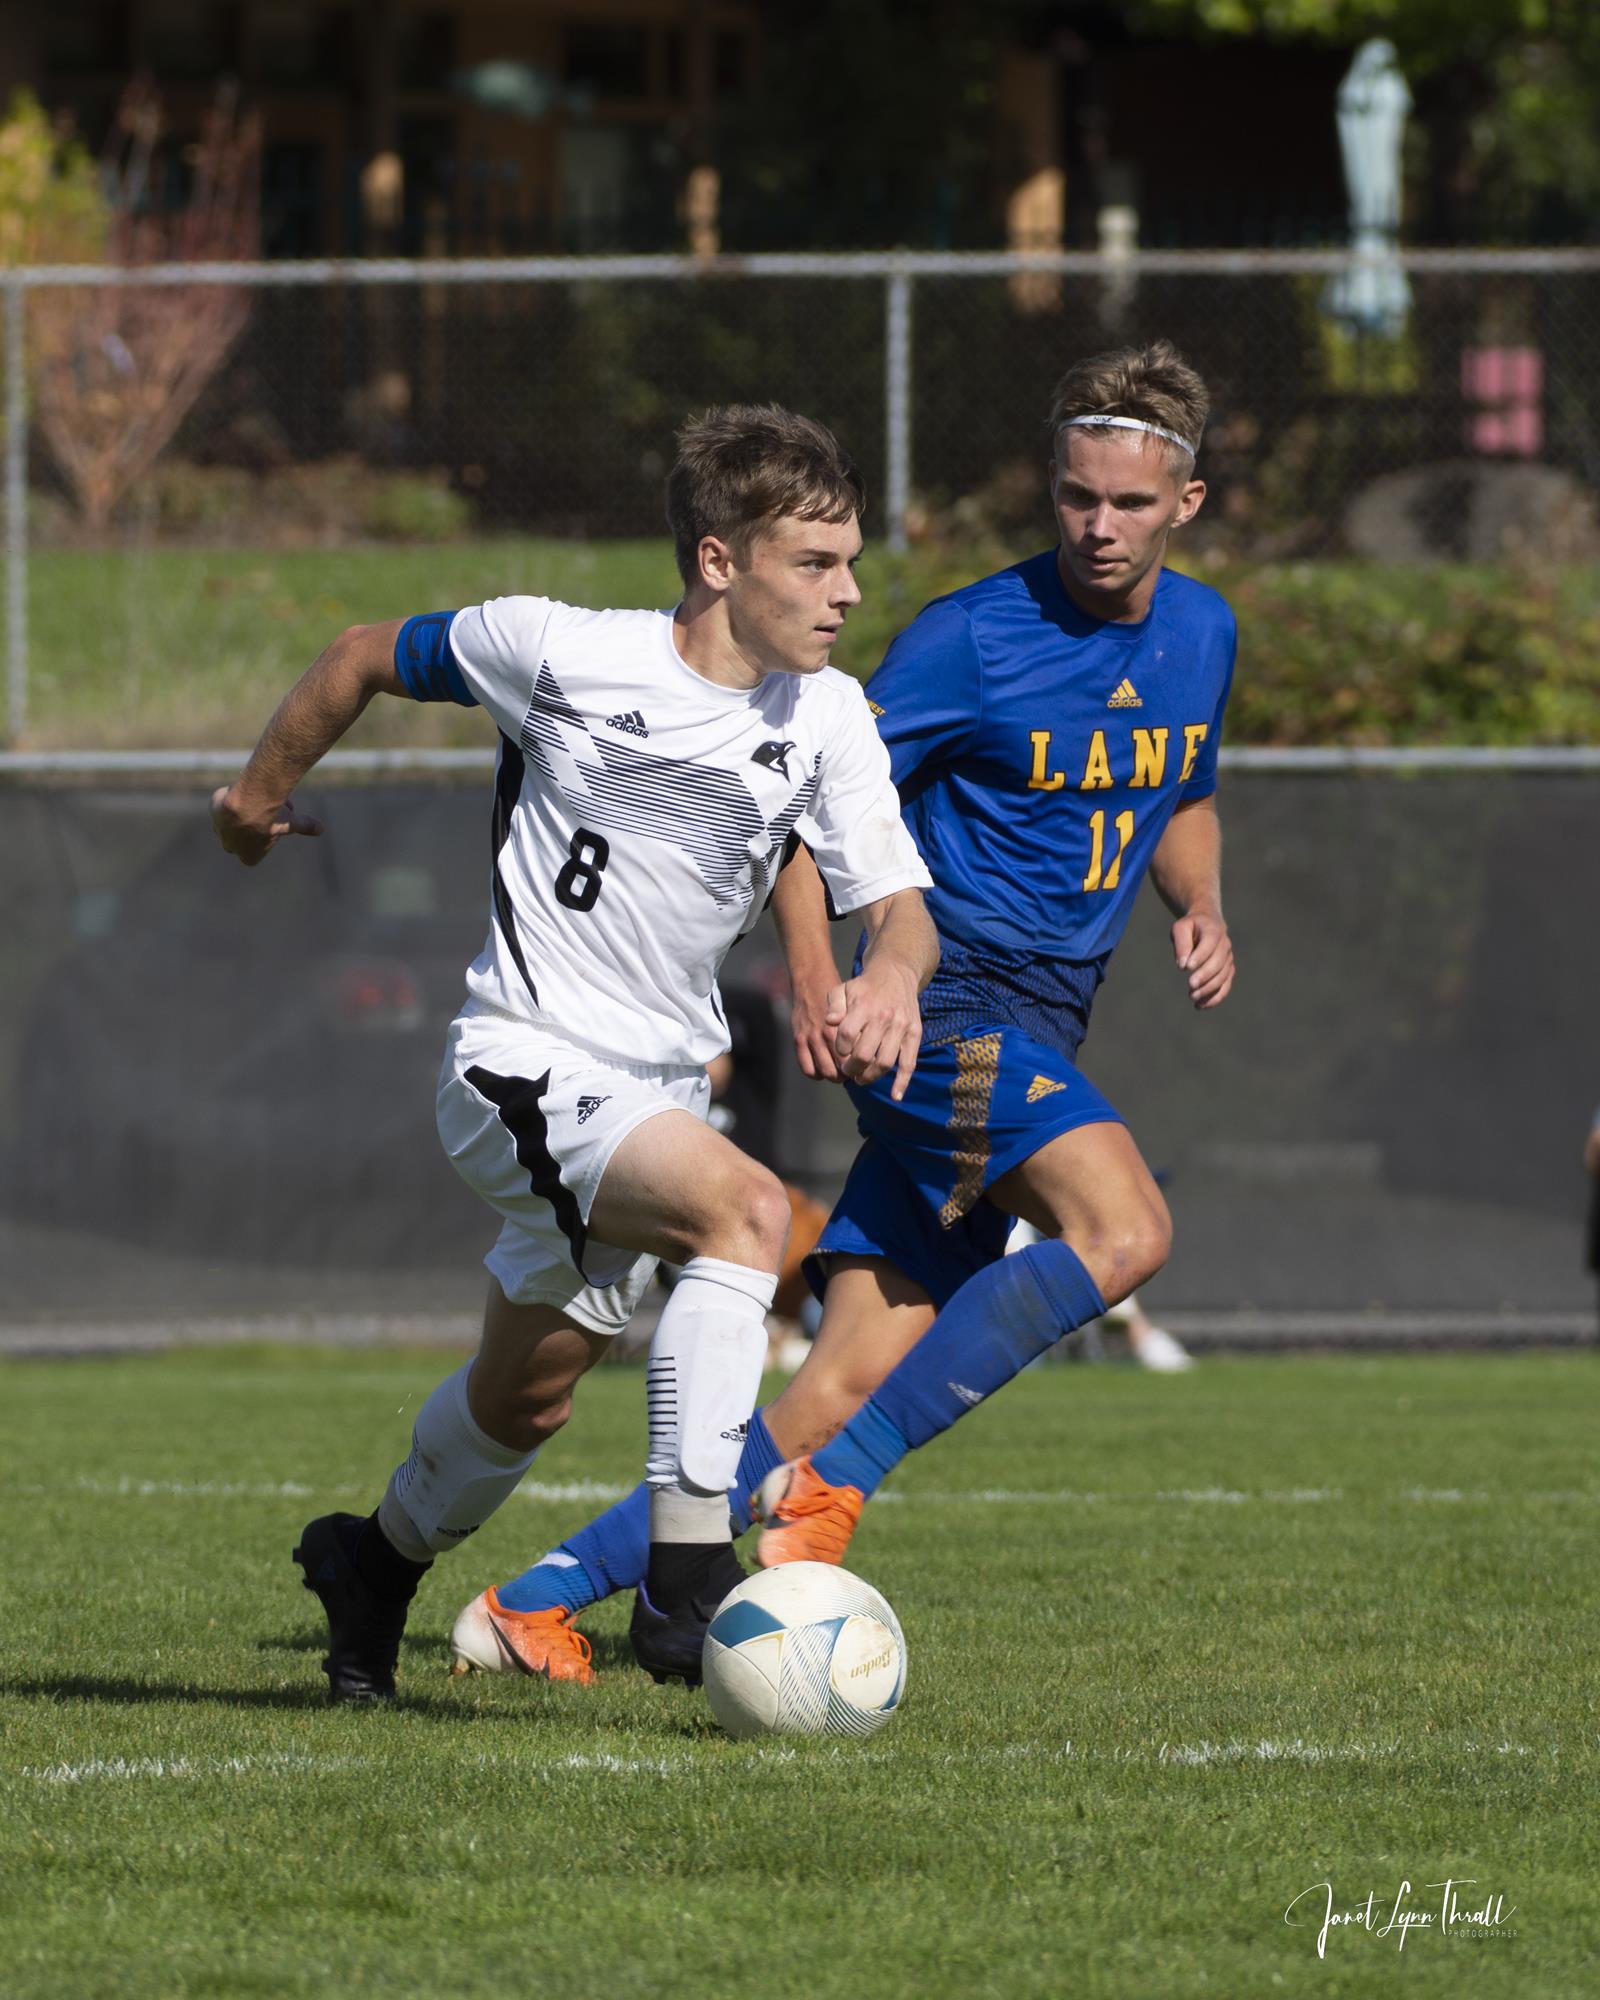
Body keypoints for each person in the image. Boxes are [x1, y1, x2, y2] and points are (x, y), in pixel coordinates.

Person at [456, 338, 1235, 1671]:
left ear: (1187, 503)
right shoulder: (970, 639)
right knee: (1127, 1230)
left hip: (1047, 1021)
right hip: (940, 1011)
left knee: (833, 1383)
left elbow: (1185, 787)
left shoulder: (1203, 633)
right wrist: (839, 975)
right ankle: (836, 1494)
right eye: (1074, 496)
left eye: (1129, 503)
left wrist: (1200, 905)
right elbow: (811, 806)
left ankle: (527, 1602)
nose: (1097, 526)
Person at [210, 403, 936, 1702]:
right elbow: (361, 654)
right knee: (749, 1214)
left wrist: (883, 973)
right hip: (520, 1061)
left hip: (647, 1091)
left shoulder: (828, 715)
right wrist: (256, 801)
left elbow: (900, 907)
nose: (849, 591)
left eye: (852, 560)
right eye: (816, 563)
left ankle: (371, 1564)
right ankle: (684, 1581)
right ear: (719, 560)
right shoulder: (557, 651)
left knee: (526, 1400)